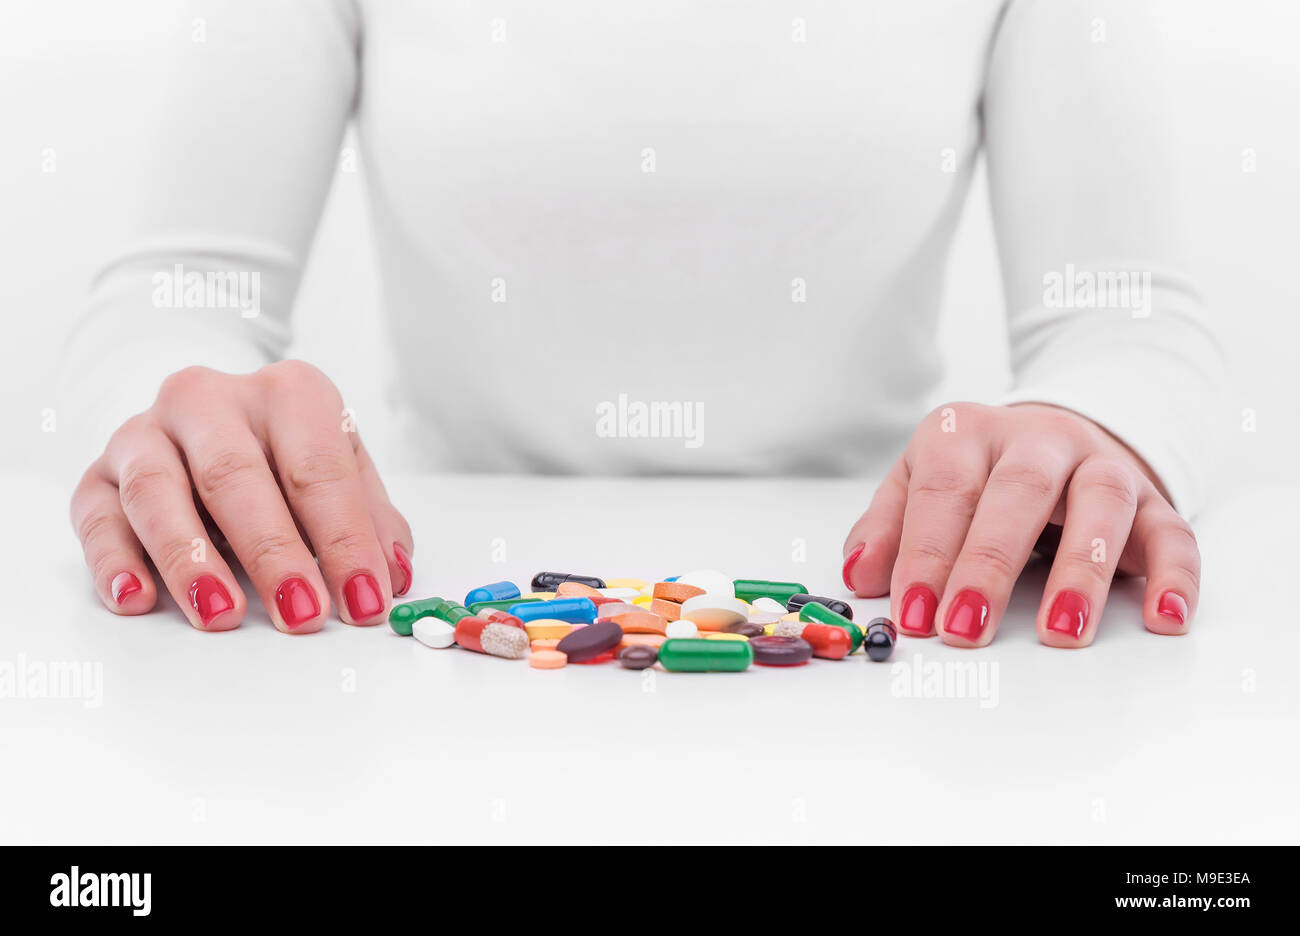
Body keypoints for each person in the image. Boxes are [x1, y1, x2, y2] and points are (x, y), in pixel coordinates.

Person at [63, 1, 1223, 648]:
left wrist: (1086, 426)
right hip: (435, 619)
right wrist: (189, 412)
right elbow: (178, 285)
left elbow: (1122, 318)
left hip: (863, 614)